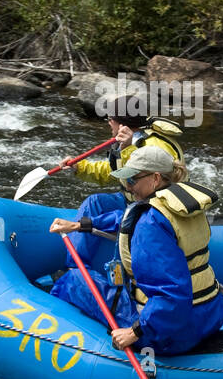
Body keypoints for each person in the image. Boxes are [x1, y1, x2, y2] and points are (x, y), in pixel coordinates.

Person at [49, 146, 223, 356]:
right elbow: (126, 219)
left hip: (168, 334)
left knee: (75, 279)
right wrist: (81, 225)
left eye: (133, 179)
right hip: (211, 316)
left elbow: (171, 292)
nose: (128, 186)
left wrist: (134, 332)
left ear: (155, 178)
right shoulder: (182, 206)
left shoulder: (149, 226)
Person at [62, 100, 183, 266]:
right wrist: (79, 168)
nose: (109, 123)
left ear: (122, 124)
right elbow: (114, 171)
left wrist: (127, 149)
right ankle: (76, 267)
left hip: (153, 206)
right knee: (94, 202)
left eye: (110, 119)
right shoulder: (135, 138)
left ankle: (81, 268)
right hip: (134, 198)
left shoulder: (155, 147)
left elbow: (140, 181)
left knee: (122, 217)